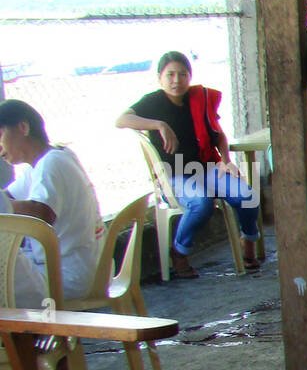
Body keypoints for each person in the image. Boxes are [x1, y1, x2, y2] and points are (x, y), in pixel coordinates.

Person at [115, 51, 260, 279]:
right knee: (201, 203)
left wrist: (225, 161)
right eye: (170, 75)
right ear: (159, 78)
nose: (176, 80)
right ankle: (179, 252)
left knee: (247, 195)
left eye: (182, 74)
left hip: (206, 168)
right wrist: (158, 124)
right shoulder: (153, 102)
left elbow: (218, 134)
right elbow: (121, 120)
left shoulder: (199, 99)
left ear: (189, 77)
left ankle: (248, 242)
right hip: (175, 175)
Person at [0, 99, 99, 306]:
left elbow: (42, 214)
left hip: (65, 275)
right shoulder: (48, 160)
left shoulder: (51, 164)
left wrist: (4, 205)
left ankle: (31, 337)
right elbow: (8, 197)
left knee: (5, 287)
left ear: (23, 127)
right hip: (67, 266)